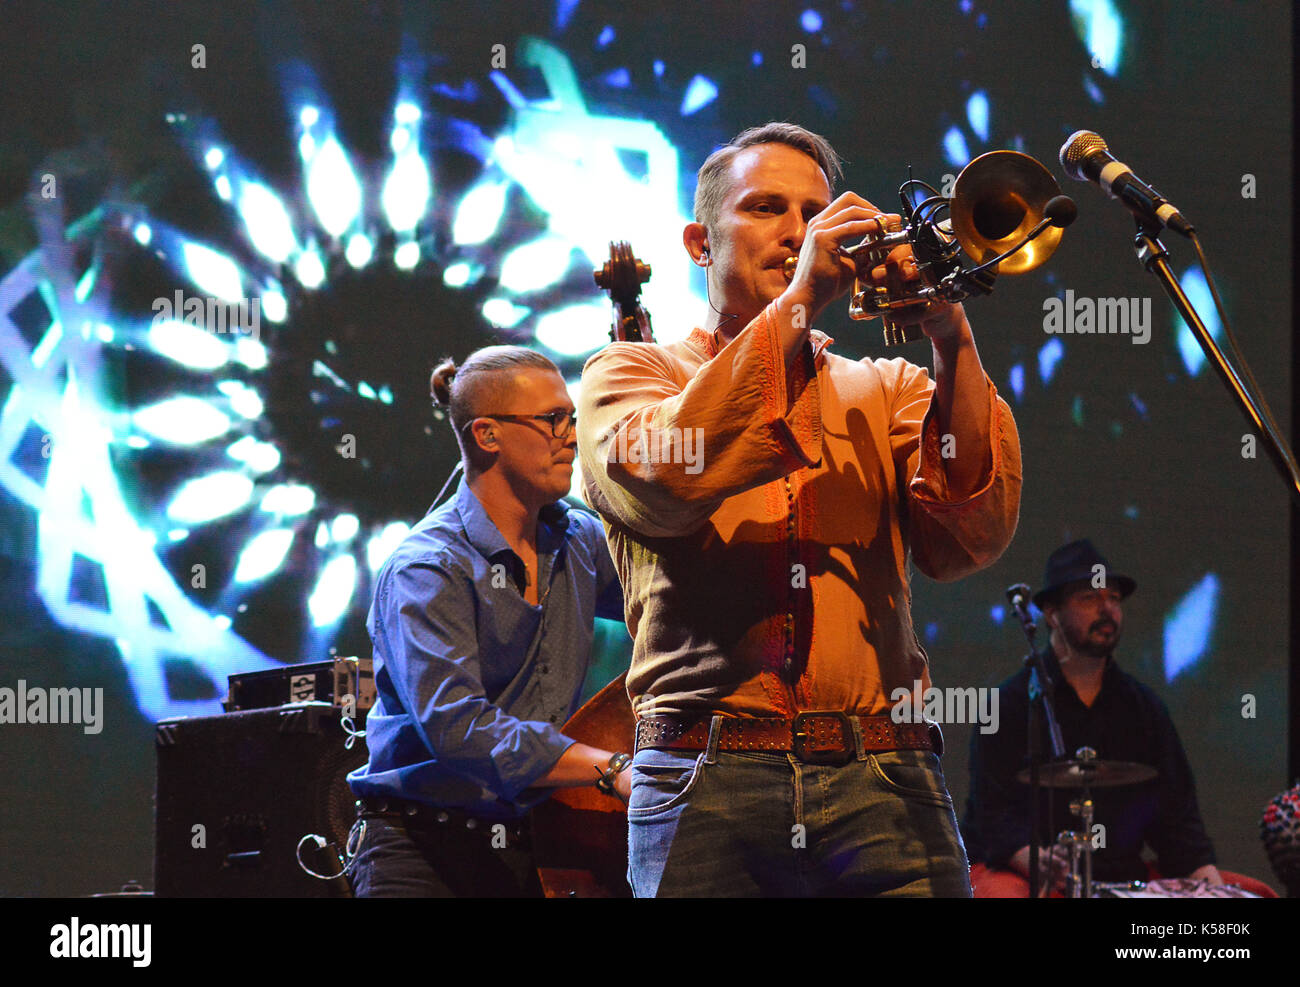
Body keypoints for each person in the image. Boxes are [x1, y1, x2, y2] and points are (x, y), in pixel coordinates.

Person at [576, 122, 1022, 896]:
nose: (798, 231)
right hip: (702, 779)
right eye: (765, 207)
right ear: (699, 243)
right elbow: (666, 475)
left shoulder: (889, 386)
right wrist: (798, 302)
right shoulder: (630, 375)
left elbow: (969, 533)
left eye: (815, 211)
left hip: (886, 777)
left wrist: (951, 334)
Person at [346, 345, 630, 897]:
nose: (571, 434)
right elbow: (458, 726)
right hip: (424, 853)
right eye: (553, 420)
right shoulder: (427, 567)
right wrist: (612, 765)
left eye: (572, 418)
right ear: (487, 435)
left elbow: (665, 615)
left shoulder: (578, 539)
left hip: (539, 845)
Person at [963, 538, 1222, 896]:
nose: (1107, 609)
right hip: (1021, 871)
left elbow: (1177, 819)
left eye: (1113, 598)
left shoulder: (1144, 709)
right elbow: (989, 814)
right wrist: (1030, 856)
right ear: (1051, 613)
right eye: (1090, 598)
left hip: (1119, 873)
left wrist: (1208, 877)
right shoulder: (1007, 705)